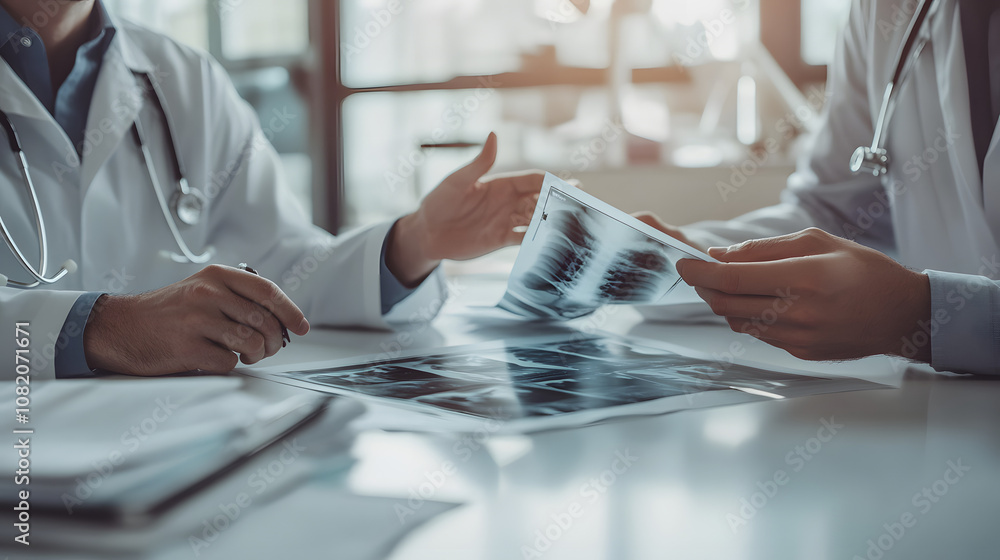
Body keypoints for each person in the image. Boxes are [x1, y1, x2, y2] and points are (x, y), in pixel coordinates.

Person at [0, 0, 542, 378]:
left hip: (169, 450)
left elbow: (279, 266)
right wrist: (106, 327)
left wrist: (417, 242)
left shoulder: (184, 78)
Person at [637, 0, 1000, 375]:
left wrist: (917, 315)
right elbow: (835, 215)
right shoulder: (883, 10)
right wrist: (683, 254)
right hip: (938, 407)